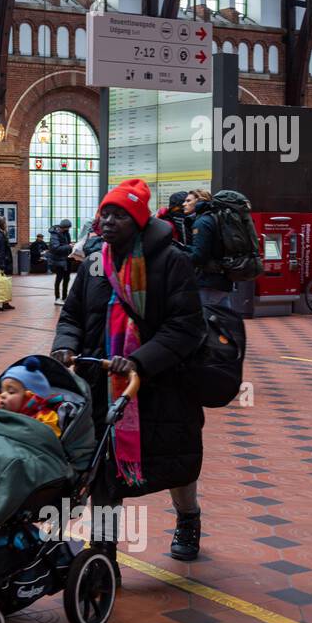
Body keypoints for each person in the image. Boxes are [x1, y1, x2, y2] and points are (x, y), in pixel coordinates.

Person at [51, 179, 206, 565]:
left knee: (176, 460)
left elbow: (186, 327)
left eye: (119, 214)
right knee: (104, 470)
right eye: (105, 212)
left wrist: (139, 361)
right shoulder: (93, 263)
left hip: (159, 383)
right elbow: (72, 314)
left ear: (138, 220)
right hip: (100, 383)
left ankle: (188, 517)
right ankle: (104, 555)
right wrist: (65, 344)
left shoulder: (172, 262)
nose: (108, 221)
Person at [182, 189, 233, 308]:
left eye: (188, 200)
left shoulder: (202, 222)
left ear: (199, 201)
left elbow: (199, 256)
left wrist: (179, 257)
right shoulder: (213, 218)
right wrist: (184, 248)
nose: (184, 204)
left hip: (208, 283)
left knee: (204, 322)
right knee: (222, 322)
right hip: (221, 281)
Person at [48, 219, 74, 305]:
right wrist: (69, 246)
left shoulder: (66, 233)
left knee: (66, 279)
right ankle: (57, 298)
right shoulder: (54, 235)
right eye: (67, 228)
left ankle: (64, 297)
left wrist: (71, 246)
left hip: (67, 260)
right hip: (58, 261)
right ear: (64, 227)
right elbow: (55, 248)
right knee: (59, 279)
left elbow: (67, 244)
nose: (68, 230)